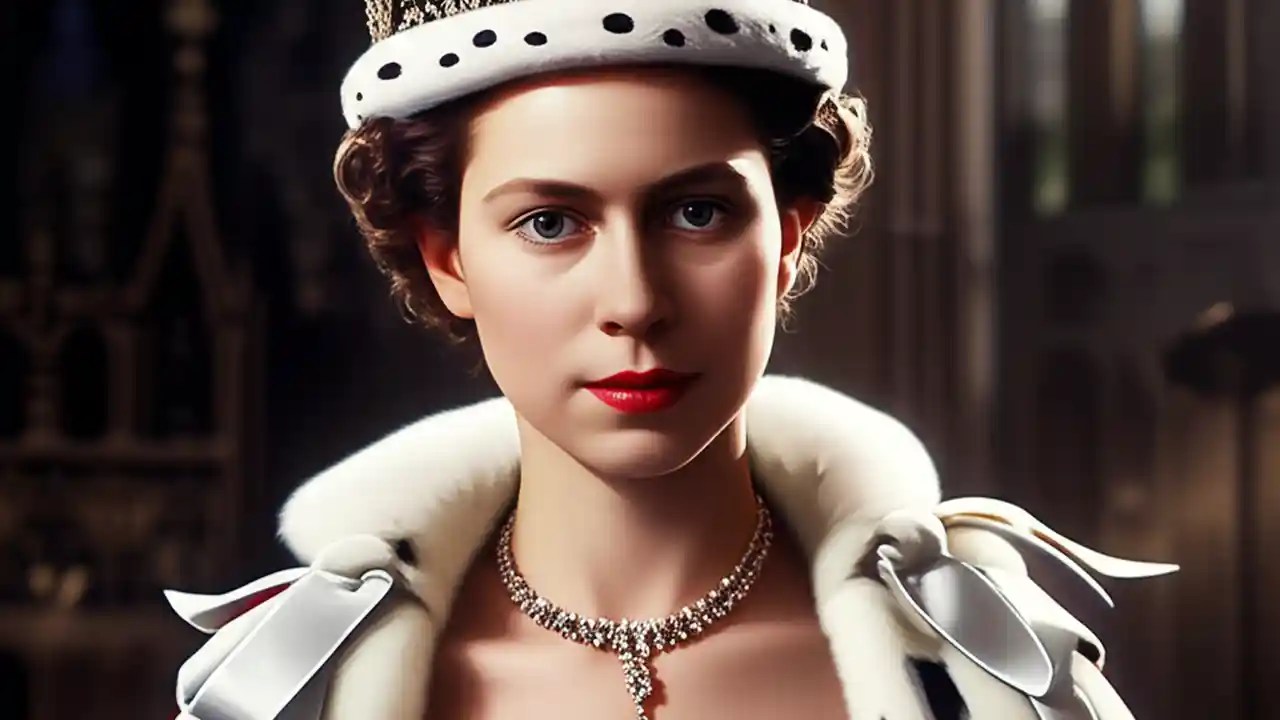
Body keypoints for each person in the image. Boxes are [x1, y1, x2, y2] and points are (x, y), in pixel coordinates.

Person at [165, 1, 1177, 718]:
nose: (634, 302)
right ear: (448, 260)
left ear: (788, 237)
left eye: (696, 212)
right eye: (551, 222)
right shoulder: (289, 689)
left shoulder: (993, 676)